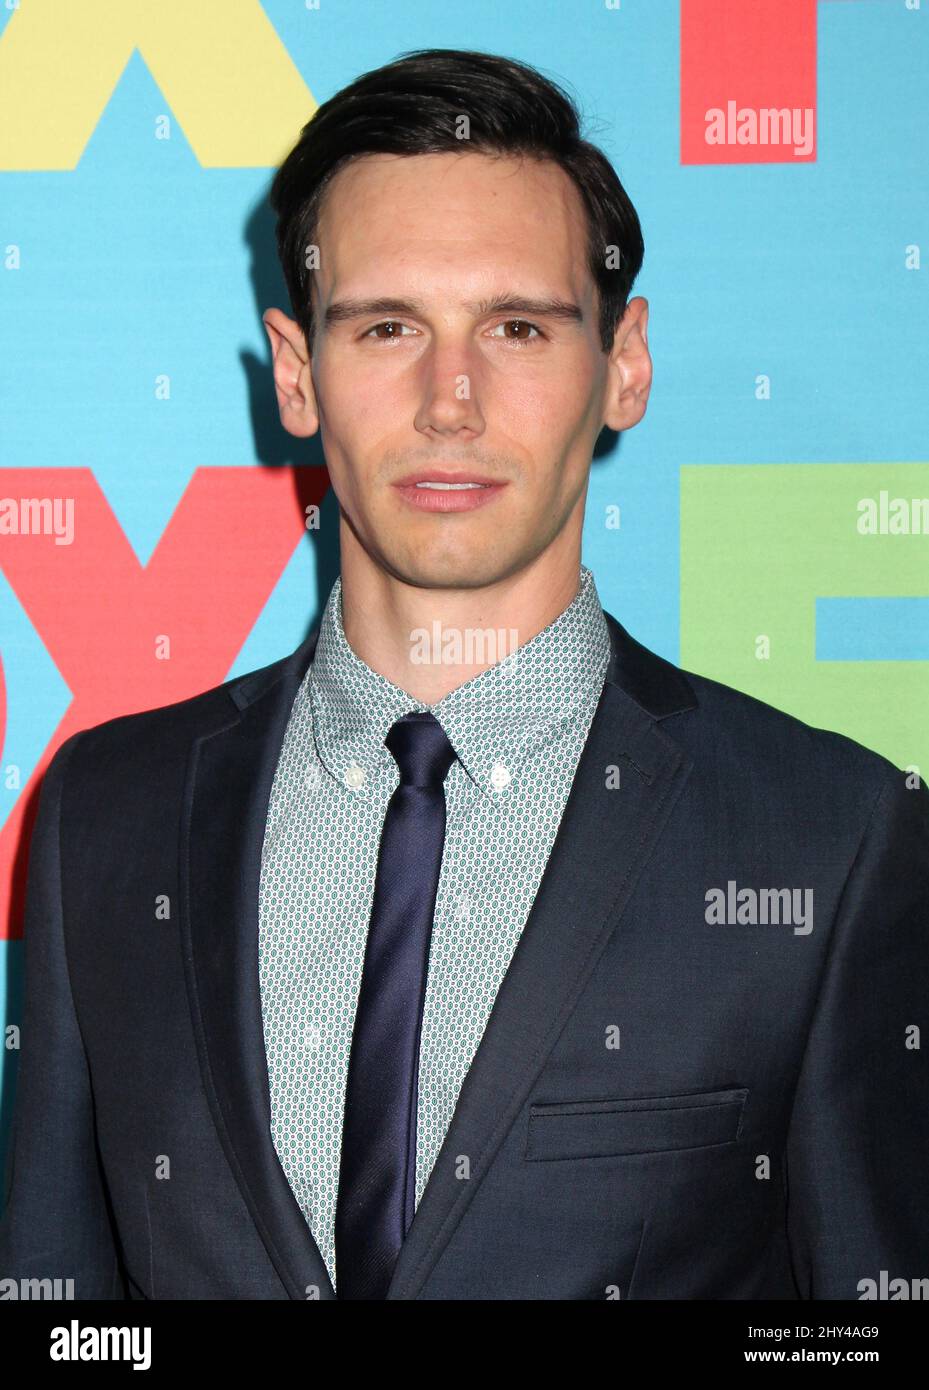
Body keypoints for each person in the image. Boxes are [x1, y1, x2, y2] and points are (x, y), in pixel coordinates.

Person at [1, 47, 927, 1302]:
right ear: (293, 371)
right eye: (386, 326)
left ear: (622, 363)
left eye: (516, 327)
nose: (451, 400)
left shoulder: (829, 833)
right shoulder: (102, 816)